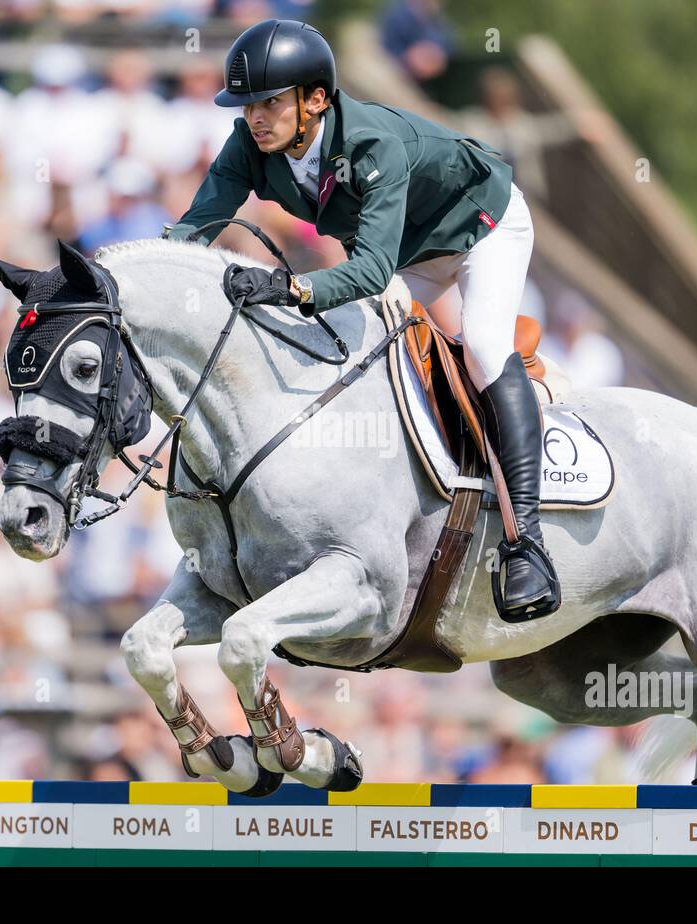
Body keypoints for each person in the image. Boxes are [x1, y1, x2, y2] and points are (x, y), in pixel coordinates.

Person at [162, 18, 559, 620]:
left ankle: (525, 540)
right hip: (410, 251)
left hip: (482, 228)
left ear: (315, 100)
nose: (255, 118)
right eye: (247, 107)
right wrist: (132, 279)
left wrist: (289, 287)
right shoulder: (251, 145)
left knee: (479, 345)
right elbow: (196, 227)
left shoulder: (373, 143)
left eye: (270, 102)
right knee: (351, 349)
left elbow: (371, 269)